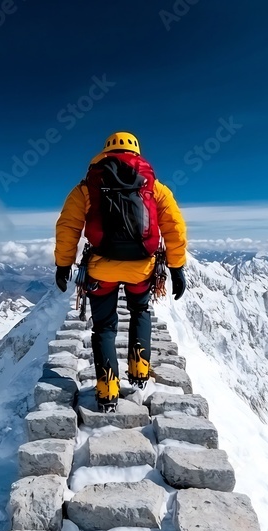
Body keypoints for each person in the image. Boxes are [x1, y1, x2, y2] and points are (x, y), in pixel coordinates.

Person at [54, 131, 188, 412]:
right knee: (140, 312)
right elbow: (174, 227)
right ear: (137, 153)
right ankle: (139, 372)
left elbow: (68, 227)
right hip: (142, 268)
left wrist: (63, 265)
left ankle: (107, 390)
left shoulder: (87, 186)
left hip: (101, 268)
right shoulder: (155, 187)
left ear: (105, 151)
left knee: (104, 327)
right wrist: (176, 267)